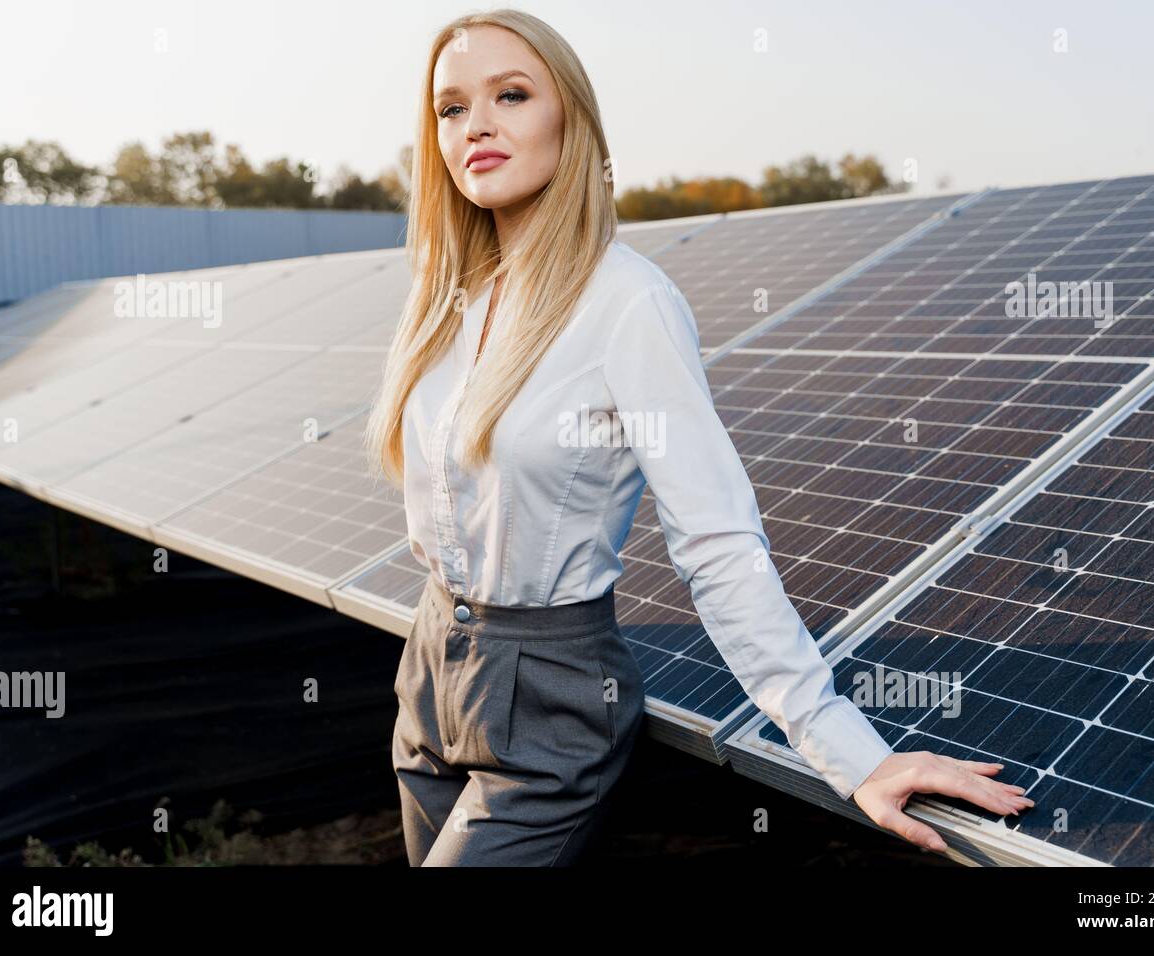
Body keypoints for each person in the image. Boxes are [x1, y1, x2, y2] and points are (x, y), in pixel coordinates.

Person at [362, 8, 1032, 867]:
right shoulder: (443, 300)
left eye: (512, 94)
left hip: (549, 698)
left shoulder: (627, 304)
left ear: (572, 119)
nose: (477, 124)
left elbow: (716, 540)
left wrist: (847, 750)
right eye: (451, 108)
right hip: (427, 678)